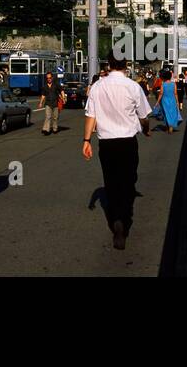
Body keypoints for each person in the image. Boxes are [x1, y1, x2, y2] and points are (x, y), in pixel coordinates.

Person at [82, 53, 152, 250]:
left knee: (111, 181)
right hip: (128, 142)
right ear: (126, 65)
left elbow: (91, 116)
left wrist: (86, 140)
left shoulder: (97, 87)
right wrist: (146, 129)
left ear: (108, 65)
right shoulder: (133, 86)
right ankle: (124, 216)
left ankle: (115, 220)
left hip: (107, 143)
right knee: (129, 179)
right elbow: (144, 116)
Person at [38, 71, 62, 136]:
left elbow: (61, 90)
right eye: (47, 78)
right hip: (48, 104)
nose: (49, 79)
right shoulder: (45, 86)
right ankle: (46, 130)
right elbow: (43, 95)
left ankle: (55, 129)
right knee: (48, 117)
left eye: (50, 78)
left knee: (55, 117)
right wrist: (40, 103)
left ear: (52, 78)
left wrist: (63, 97)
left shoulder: (56, 84)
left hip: (55, 103)